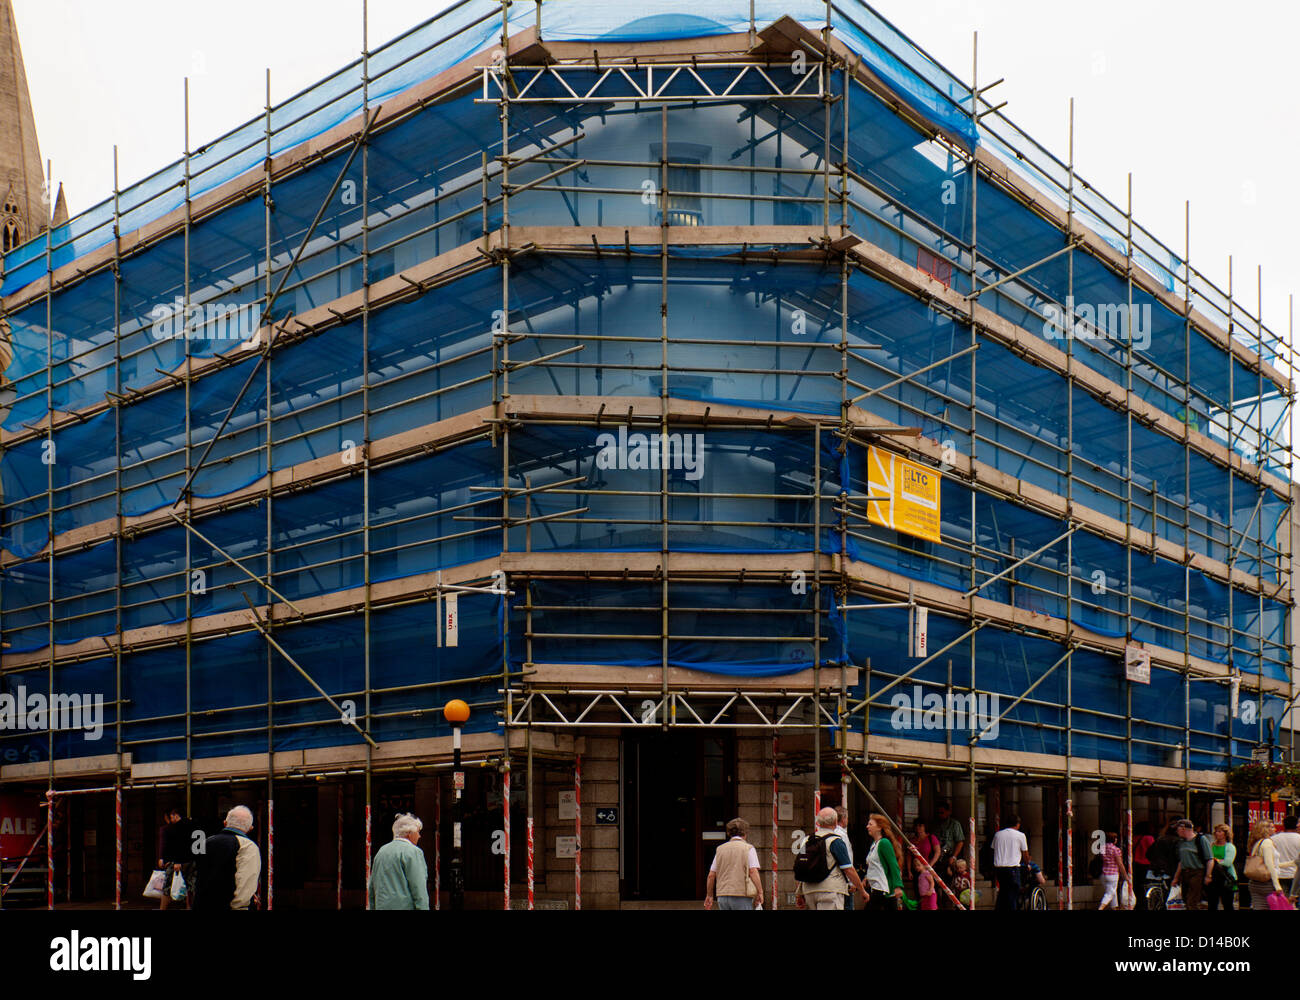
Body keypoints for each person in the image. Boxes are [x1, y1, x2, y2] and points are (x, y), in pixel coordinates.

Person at [795, 807, 868, 911]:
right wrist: (862, 890)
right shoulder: (835, 841)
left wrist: (799, 893)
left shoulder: (806, 840)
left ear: (818, 822)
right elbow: (848, 869)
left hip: (809, 890)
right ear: (835, 821)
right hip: (830, 891)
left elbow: (800, 868)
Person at [193, 805, 261, 911]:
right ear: (250, 828)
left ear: (225, 823)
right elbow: (245, 884)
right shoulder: (248, 846)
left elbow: (197, 875)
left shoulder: (206, 842)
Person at [368, 812, 430, 910]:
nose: (419, 836)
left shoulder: (381, 851)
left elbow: (372, 887)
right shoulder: (414, 852)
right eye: (418, 832)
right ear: (409, 833)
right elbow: (419, 889)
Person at [705, 817, 763, 911]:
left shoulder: (720, 849)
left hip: (722, 896)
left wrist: (709, 895)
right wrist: (760, 892)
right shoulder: (748, 848)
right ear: (745, 833)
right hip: (741, 895)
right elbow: (753, 872)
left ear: (729, 833)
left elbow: (711, 875)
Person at [862, 813, 905, 910]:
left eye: (870, 824)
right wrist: (866, 878)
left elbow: (893, 865)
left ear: (879, 827)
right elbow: (875, 865)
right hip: (876, 887)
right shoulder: (874, 844)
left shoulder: (884, 843)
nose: (867, 826)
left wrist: (898, 886)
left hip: (882, 888)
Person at [156, 807, 196, 910]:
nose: (171, 819)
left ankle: (163, 908)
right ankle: (189, 906)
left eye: (171, 816)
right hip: (192, 860)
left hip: (178, 860)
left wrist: (177, 861)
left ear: (176, 815)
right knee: (191, 886)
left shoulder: (177, 827)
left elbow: (179, 844)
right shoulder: (194, 825)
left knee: (167, 885)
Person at [1170, 819, 1214, 911]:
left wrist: (1208, 875)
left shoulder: (1201, 840)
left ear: (1183, 829)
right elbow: (1181, 861)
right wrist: (1176, 877)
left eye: (1177, 829)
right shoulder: (1181, 842)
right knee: (1186, 900)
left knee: (1192, 900)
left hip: (1197, 872)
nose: (1176, 832)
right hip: (1185, 873)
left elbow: (1209, 859)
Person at [991, 814, 1030, 912]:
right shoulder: (1021, 835)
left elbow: (993, 849)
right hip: (1012, 868)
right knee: (1012, 893)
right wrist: (1027, 863)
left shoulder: (998, 834)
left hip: (999, 868)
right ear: (1018, 824)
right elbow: (1025, 854)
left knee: (1003, 891)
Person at [934, 800, 965, 908]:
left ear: (948, 812)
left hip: (950, 857)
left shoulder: (954, 824)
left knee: (949, 886)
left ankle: (948, 906)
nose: (940, 815)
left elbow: (960, 841)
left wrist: (954, 856)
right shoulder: (936, 824)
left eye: (942, 812)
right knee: (937, 886)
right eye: (939, 812)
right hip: (938, 858)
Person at [1245, 820, 1283, 910]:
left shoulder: (1257, 843)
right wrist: (1277, 885)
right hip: (1267, 883)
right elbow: (1270, 865)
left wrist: (1290, 863)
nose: (1275, 829)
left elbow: (1266, 863)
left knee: (1258, 907)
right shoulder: (1267, 843)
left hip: (1254, 883)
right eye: (1272, 827)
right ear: (1266, 829)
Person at [1206, 823, 1237, 912]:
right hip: (1213, 877)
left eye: (1220, 831)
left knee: (1227, 904)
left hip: (1226, 877)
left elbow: (1228, 862)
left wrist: (1215, 860)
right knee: (1212, 903)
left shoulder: (1230, 847)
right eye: (1216, 831)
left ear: (1225, 834)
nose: (1217, 833)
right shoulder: (1212, 845)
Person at [1096, 832, 1129, 911]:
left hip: (1103, 874)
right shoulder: (1115, 849)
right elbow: (1120, 864)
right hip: (1113, 874)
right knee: (1110, 893)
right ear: (1114, 840)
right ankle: (1101, 907)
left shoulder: (1102, 848)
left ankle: (1114, 907)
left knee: (1111, 892)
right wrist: (1125, 875)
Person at [1270, 814, 1300, 899]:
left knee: (1282, 903)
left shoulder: (1274, 839)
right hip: (1296, 875)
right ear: (1296, 825)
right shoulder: (1299, 838)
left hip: (1280, 875)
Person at [834, 806, 855, 910]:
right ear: (843, 819)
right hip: (843, 882)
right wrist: (852, 882)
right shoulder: (842, 835)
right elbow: (847, 860)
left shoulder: (829, 833)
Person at [1132, 821, 1155, 910]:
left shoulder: (1134, 838)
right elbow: (1153, 851)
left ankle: (1137, 904)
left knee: (1136, 886)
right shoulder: (1149, 838)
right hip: (1146, 865)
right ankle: (1144, 904)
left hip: (1135, 864)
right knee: (1145, 887)